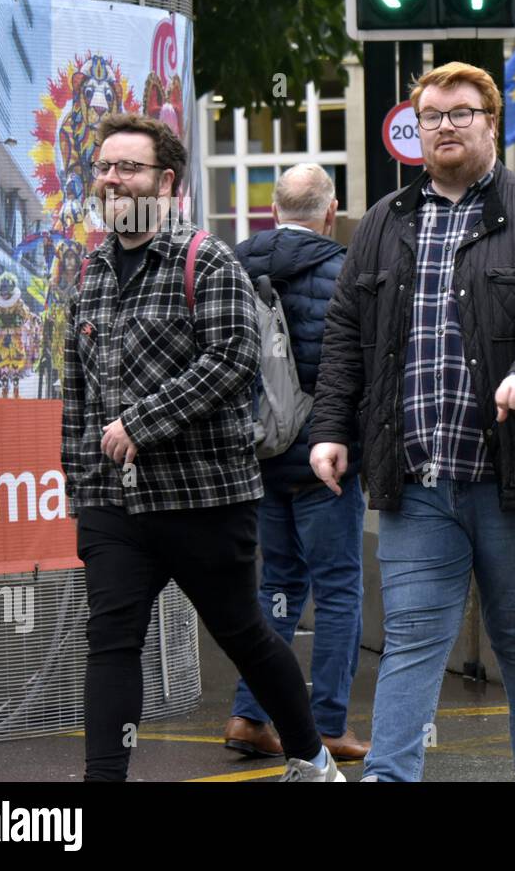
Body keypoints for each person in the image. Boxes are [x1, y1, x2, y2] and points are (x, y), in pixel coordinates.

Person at [309, 62, 515, 782]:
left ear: (491, 123)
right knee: (413, 636)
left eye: (461, 113)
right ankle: (389, 774)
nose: (445, 125)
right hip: (416, 477)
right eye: (431, 115)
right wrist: (329, 428)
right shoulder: (384, 222)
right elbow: (346, 331)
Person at [61, 112, 342, 781]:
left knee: (243, 633)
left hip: (203, 496)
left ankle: (310, 754)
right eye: (104, 166)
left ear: (166, 181)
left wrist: (141, 423)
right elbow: (77, 392)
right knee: (112, 641)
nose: (112, 178)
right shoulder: (91, 272)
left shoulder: (205, 258)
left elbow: (232, 359)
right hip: (114, 505)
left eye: (128, 167)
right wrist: (81, 491)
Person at [224, 164, 369, 762]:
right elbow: (357, 371)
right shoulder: (346, 271)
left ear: (272, 210)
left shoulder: (229, 265)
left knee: (277, 588)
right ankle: (329, 721)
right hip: (323, 462)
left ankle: (249, 714)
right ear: (330, 212)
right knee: (337, 590)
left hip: (257, 458)